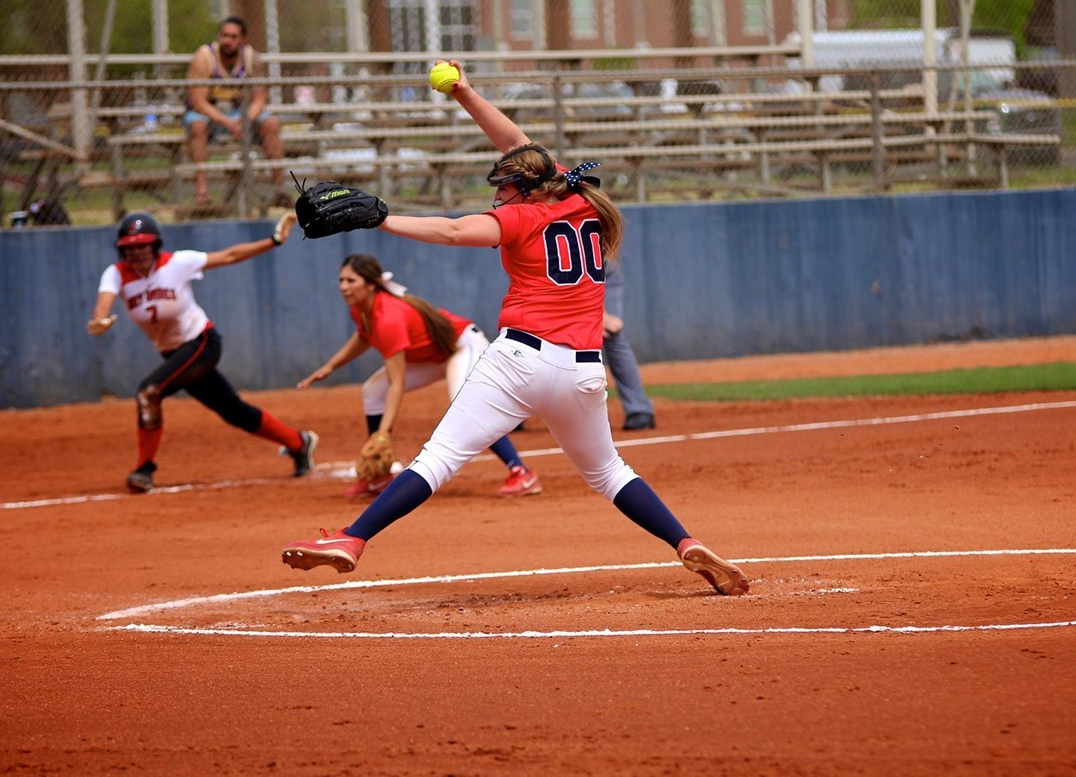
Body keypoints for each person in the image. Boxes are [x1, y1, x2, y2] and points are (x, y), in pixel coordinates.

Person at [282, 61, 749, 596]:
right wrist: (465, 93)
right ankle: (685, 543)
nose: (498, 194)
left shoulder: (524, 216)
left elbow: (455, 231)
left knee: (439, 458)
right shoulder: (581, 203)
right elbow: (523, 149)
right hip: (582, 373)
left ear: (526, 191)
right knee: (609, 473)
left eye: (505, 186)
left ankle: (353, 538)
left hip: (520, 361)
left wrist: (379, 217)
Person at [87, 210, 317, 493]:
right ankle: (298, 442)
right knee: (233, 410)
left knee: (149, 392)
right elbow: (103, 303)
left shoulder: (177, 263)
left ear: (155, 245)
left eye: (143, 245)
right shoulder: (117, 274)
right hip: (174, 355)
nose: (137, 252)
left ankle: (144, 469)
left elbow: (229, 255)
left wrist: (273, 241)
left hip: (202, 343)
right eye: (130, 247)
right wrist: (99, 320)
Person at [296, 253, 541, 499]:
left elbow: (397, 383)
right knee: (373, 391)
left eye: (351, 281)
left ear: (371, 284)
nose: (344, 287)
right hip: (435, 356)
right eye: (341, 280)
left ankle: (521, 472)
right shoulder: (361, 308)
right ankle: (378, 477)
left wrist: (382, 434)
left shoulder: (388, 318)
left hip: (462, 346)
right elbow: (364, 335)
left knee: (466, 402)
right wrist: (331, 366)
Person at [184, 16, 285, 206]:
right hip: (208, 114)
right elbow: (198, 102)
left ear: (242, 39)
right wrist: (227, 122)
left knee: (271, 123)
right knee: (197, 126)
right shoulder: (204, 57)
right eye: (224, 35)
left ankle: (280, 190)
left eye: (233, 37)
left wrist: (244, 120)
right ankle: (202, 192)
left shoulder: (252, 59)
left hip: (240, 114)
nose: (227, 41)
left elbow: (259, 99)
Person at [602, 260, 656, 430]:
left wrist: (599, 313)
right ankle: (519, 409)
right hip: (537, 277)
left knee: (611, 334)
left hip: (593, 269)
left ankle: (639, 409)